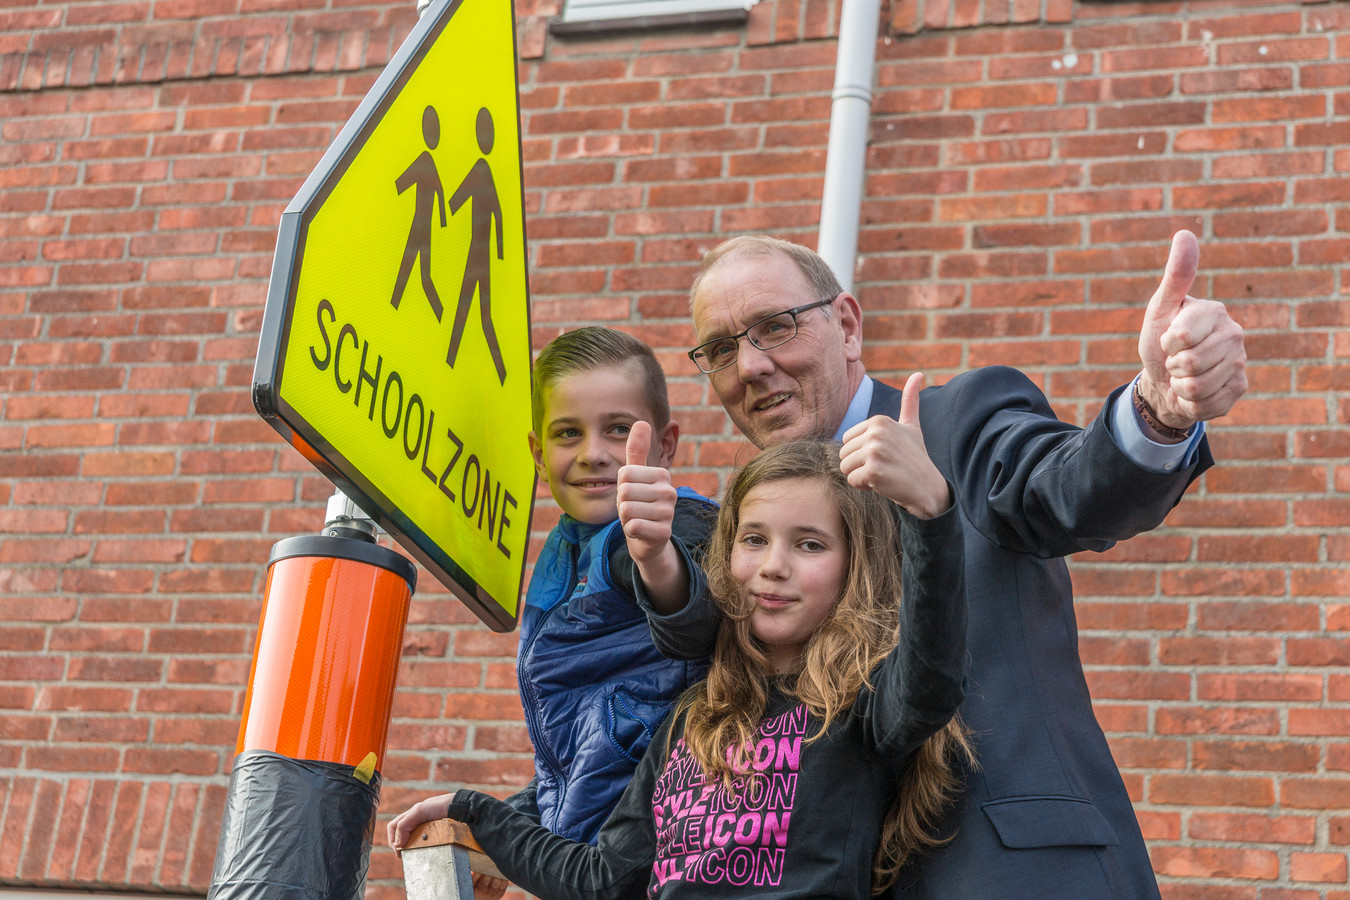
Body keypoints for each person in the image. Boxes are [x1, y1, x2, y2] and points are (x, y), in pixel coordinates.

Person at [680, 232, 1247, 898]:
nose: (749, 366)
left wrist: (1158, 407)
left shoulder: (956, 426)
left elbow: (1068, 489)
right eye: (720, 349)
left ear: (847, 325)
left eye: (775, 327)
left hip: (1017, 873)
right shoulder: (750, 533)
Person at [391, 439, 971, 899]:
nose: (773, 566)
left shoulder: (863, 704)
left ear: (855, 567)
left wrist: (928, 512)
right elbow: (601, 880)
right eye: (754, 539)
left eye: (810, 545)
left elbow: (931, 677)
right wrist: (475, 811)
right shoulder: (691, 720)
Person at [390, 327, 719, 884]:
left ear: (665, 446)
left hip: (668, 852)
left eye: (618, 429)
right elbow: (587, 756)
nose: (593, 454)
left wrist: (656, 558)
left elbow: (694, 616)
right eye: (569, 433)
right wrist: (519, 815)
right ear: (538, 454)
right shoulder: (565, 550)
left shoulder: (667, 529)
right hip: (591, 848)